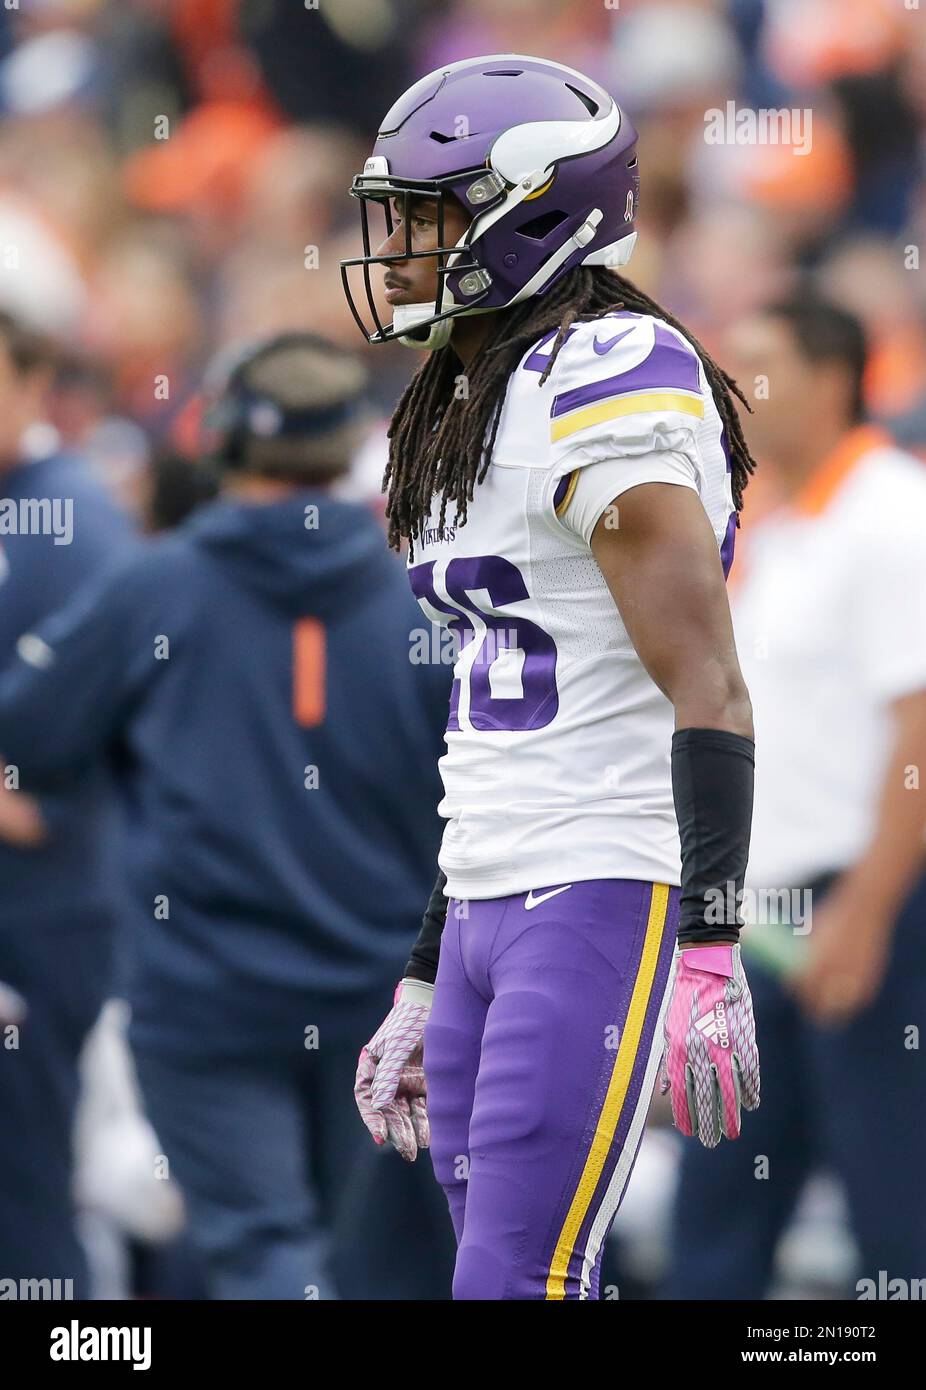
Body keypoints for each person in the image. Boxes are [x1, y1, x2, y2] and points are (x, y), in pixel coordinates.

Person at [343, 54, 761, 1301]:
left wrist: (712, 935)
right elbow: (491, 721)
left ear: (526, 211)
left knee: (520, 1279)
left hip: (600, 877)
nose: (401, 248)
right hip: (489, 882)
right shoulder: (469, 389)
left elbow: (708, 679)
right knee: (495, 1274)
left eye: (427, 214)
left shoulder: (607, 371)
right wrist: (426, 960)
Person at [0, 332, 456, 1299]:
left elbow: (29, 740)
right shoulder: (419, 597)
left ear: (225, 441)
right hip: (380, 996)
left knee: (264, 1255)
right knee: (355, 1263)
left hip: (206, 995)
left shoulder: (157, 583)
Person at [663, 296, 926, 1299]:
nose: (734, 391)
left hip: (864, 913)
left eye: (759, 365)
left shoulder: (890, 515)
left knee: (892, 1210)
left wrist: (863, 910)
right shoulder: (770, 522)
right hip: (753, 922)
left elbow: (915, 729)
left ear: (826, 378)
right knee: (715, 1210)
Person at [0, 310, 136, 1297]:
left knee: (29, 1187)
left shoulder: (70, 520)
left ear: (33, 380)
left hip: (46, 913)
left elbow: (94, 757)